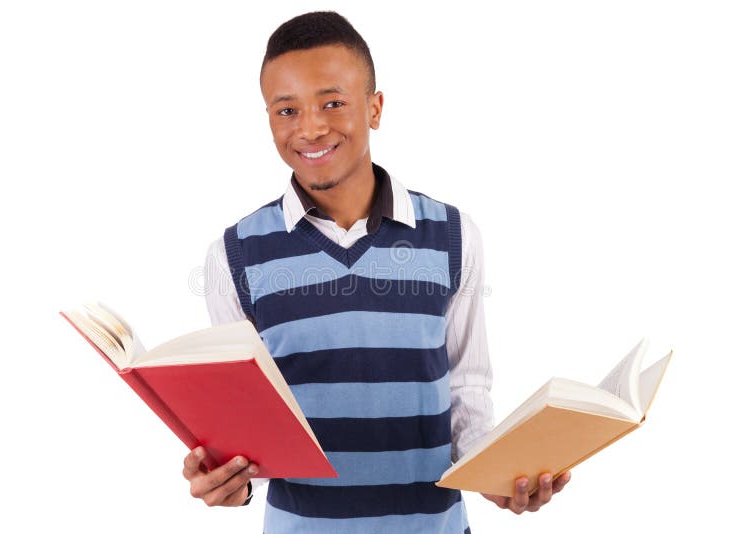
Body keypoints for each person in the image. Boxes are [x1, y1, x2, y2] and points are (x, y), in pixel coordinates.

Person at [182, 10, 571, 532]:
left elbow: (467, 386)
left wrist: (498, 476)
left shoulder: (454, 235)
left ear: (375, 108)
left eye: (333, 103)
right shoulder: (234, 255)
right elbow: (245, 427)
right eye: (286, 110)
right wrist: (229, 483)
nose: (311, 127)